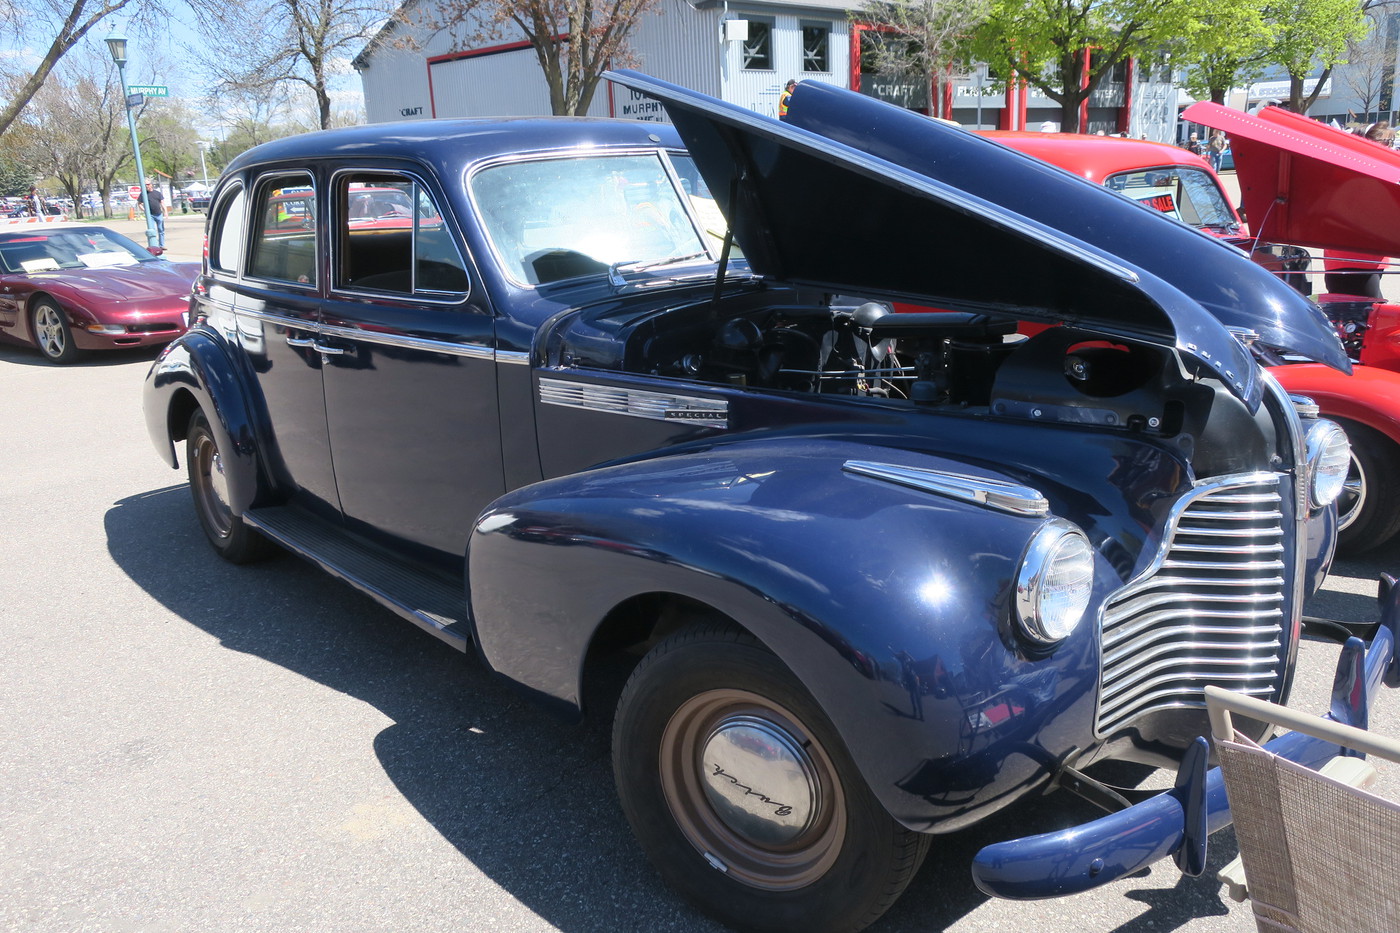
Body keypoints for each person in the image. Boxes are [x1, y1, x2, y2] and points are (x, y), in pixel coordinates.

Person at [145, 180, 167, 248]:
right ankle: (154, 245)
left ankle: (162, 245)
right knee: (152, 230)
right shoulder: (144, 194)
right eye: (145, 185)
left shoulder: (157, 193)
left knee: (161, 230)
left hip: (158, 214)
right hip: (150, 215)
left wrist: (165, 212)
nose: (147, 186)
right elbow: (139, 203)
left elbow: (162, 203)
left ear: (151, 185)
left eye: (148, 184)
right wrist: (144, 210)